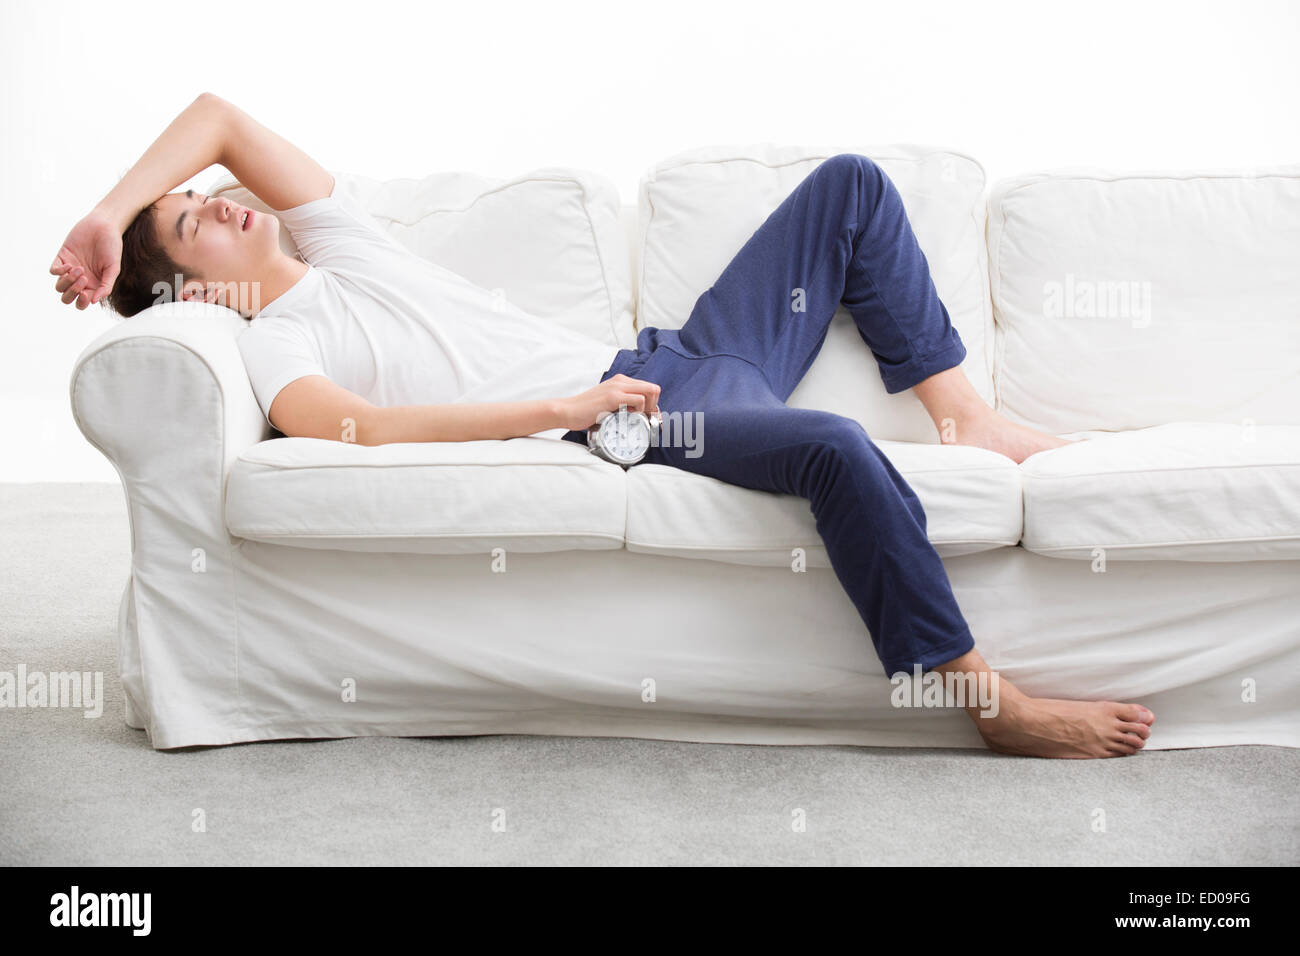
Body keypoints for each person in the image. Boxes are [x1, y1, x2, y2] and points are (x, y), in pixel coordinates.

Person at [50, 93, 1156, 758]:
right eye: (196, 224)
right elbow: (361, 433)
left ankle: (964, 416)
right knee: (835, 446)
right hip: (636, 417)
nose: (226, 201)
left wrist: (110, 211)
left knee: (851, 187)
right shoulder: (273, 341)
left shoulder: (337, 240)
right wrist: (562, 409)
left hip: (676, 355)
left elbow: (219, 115)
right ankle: (983, 694)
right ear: (195, 292)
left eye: (206, 195)